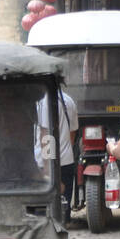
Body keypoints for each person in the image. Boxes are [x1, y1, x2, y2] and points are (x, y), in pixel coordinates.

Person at [36, 87, 78, 221]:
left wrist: (50, 175)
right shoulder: (69, 101)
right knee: (63, 214)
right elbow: (72, 134)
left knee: (47, 216)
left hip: (48, 164)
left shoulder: (46, 102)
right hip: (66, 161)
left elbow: (46, 137)